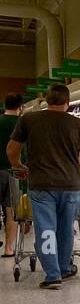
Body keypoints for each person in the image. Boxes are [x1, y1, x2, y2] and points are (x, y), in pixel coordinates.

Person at [7, 83, 80, 289]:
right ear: (68, 102)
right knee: (66, 229)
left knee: (46, 228)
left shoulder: (29, 120)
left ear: (46, 100)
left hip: (41, 184)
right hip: (70, 185)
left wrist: (17, 165)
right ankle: (64, 268)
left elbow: (12, 149)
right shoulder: (78, 124)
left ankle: (53, 275)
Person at [0, 93, 22, 258]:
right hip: (16, 171)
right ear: (20, 107)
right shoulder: (23, 123)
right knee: (11, 210)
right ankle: (8, 248)